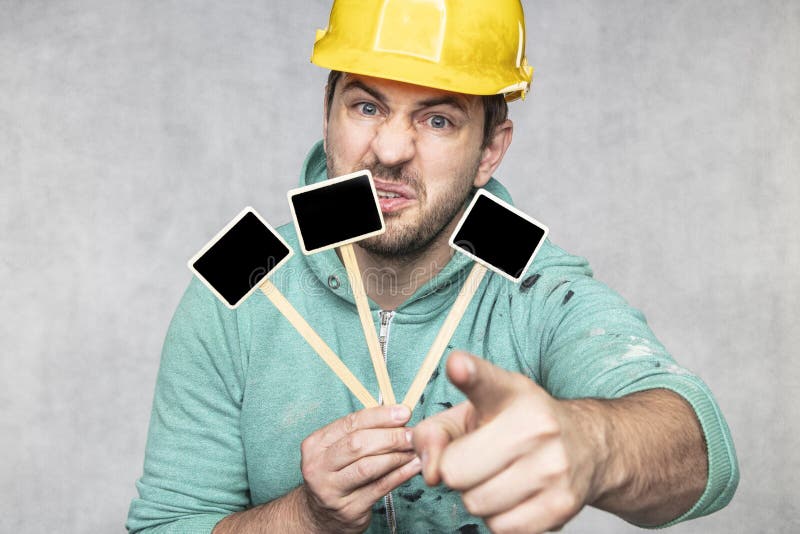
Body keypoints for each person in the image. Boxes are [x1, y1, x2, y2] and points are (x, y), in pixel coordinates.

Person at [127, 1, 739, 533]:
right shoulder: (242, 279)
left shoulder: (531, 280)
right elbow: (165, 525)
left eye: (437, 119)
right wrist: (307, 518)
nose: (390, 151)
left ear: (490, 150)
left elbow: (702, 451)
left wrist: (591, 443)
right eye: (366, 107)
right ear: (327, 112)